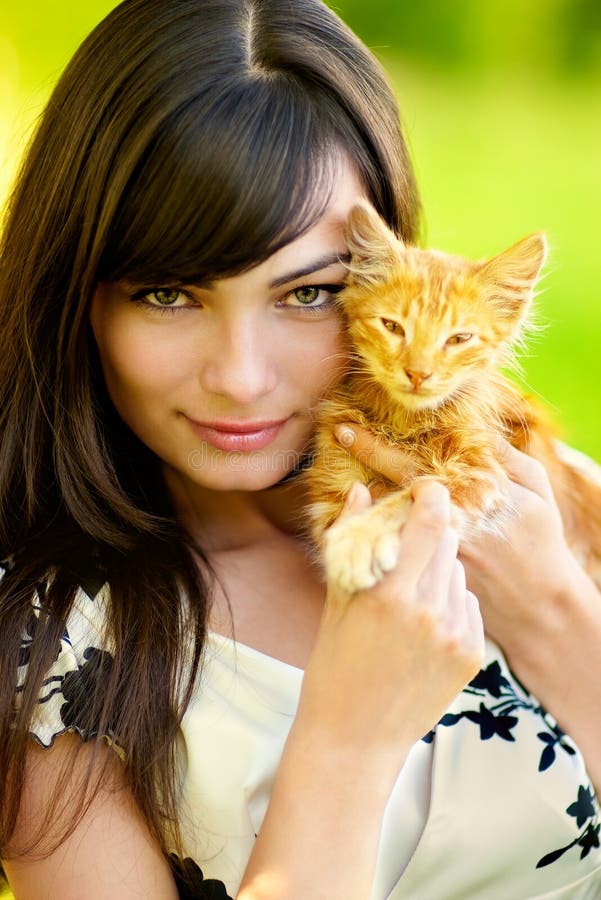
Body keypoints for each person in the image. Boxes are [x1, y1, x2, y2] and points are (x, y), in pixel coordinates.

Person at [0, 1, 600, 897]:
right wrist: (347, 741)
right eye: (167, 294)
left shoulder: (543, 502)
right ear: (76, 296)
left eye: (309, 293)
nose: (239, 378)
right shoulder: (44, 645)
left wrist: (556, 614)